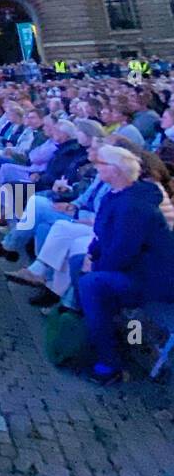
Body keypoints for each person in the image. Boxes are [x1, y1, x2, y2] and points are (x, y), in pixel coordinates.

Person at [74, 145, 174, 385]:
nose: (96, 167)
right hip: (134, 269)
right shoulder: (117, 195)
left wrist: (96, 265)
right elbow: (102, 235)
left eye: (102, 164)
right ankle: (91, 333)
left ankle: (109, 364)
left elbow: (123, 252)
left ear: (116, 170)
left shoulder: (134, 206)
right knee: (79, 261)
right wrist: (92, 255)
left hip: (153, 278)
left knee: (91, 283)